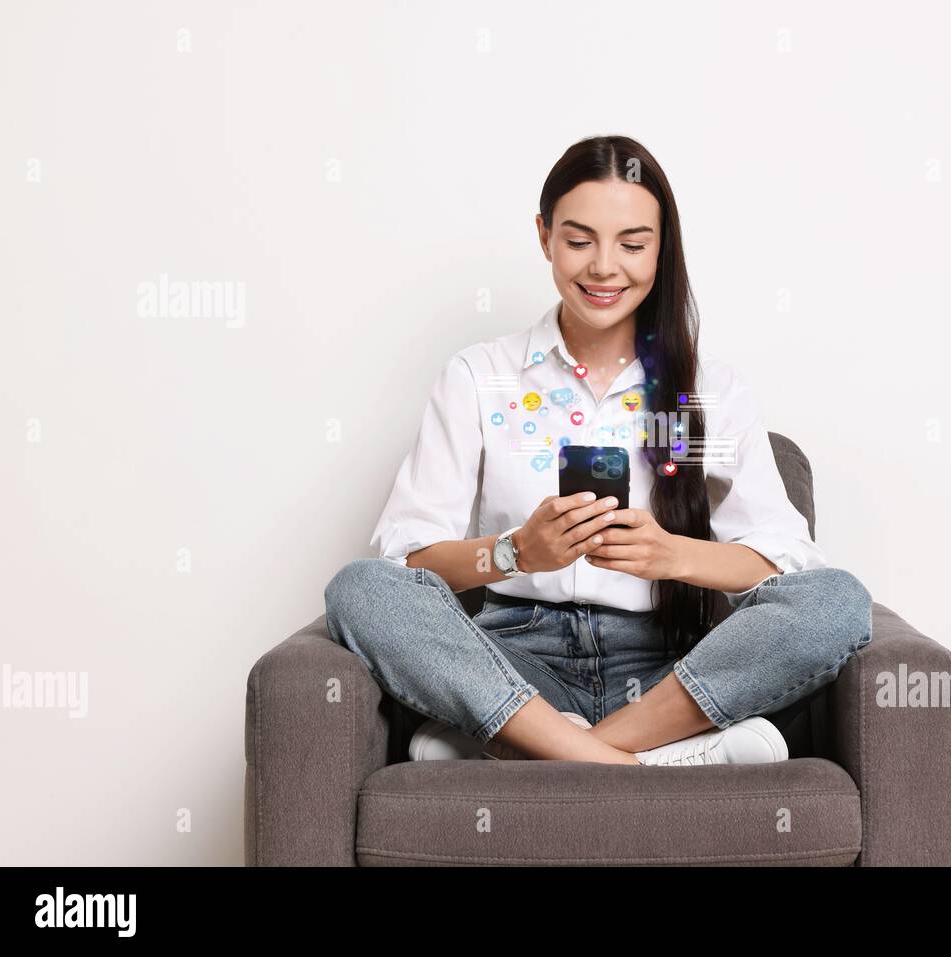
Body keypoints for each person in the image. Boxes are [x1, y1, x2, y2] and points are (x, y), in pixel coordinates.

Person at [324, 135, 872, 766]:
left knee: (836, 598)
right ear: (544, 236)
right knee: (360, 587)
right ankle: (644, 762)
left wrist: (671, 554)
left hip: (668, 671)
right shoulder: (479, 376)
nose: (604, 267)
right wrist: (516, 552)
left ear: (662, 248)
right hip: (520, 661)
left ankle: (550, 753)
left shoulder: (708, 388)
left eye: (633, 245)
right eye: (579, 241)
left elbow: (783, 564)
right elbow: (411, 560)